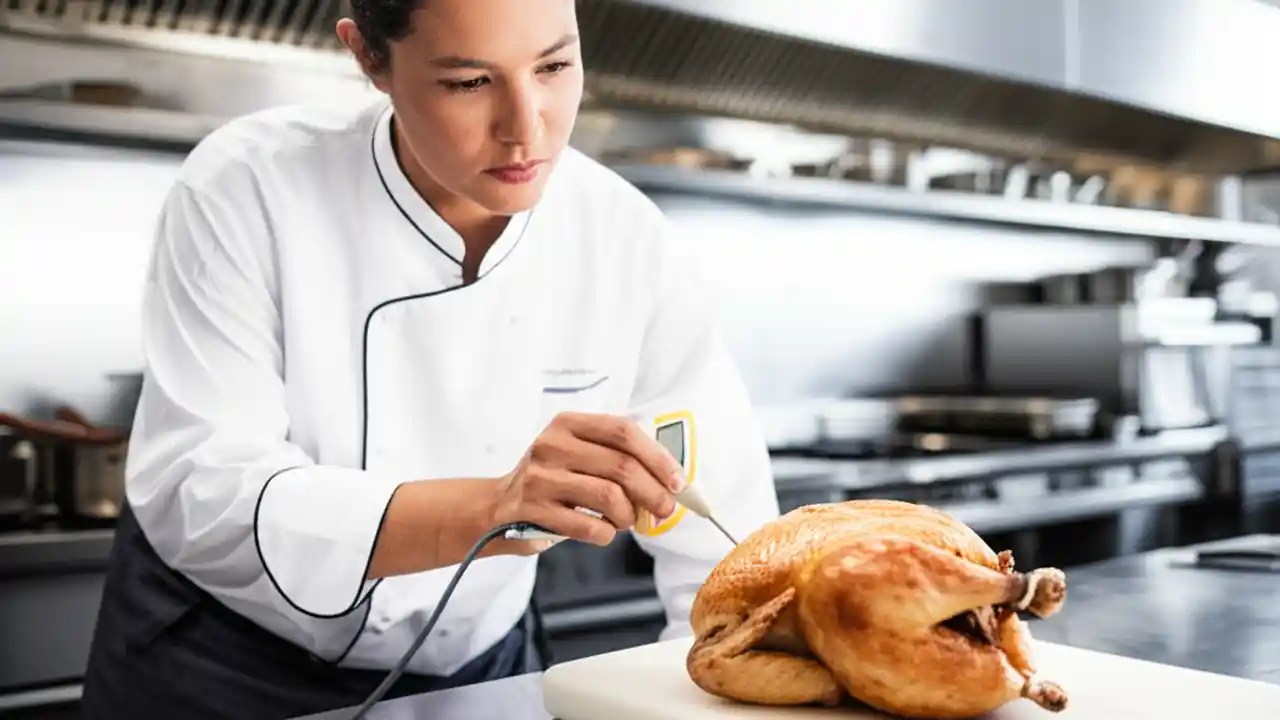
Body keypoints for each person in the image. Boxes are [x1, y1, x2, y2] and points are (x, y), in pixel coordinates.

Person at [81, 0, 780, 717]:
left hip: (476, 670)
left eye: (555, 66)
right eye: (470, 82)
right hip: (222, 665)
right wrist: (494, 507)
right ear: (368, 58)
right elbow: (204, 496)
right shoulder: (249, 184)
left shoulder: (623, 238)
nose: (527, 127)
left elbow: (725, 543)